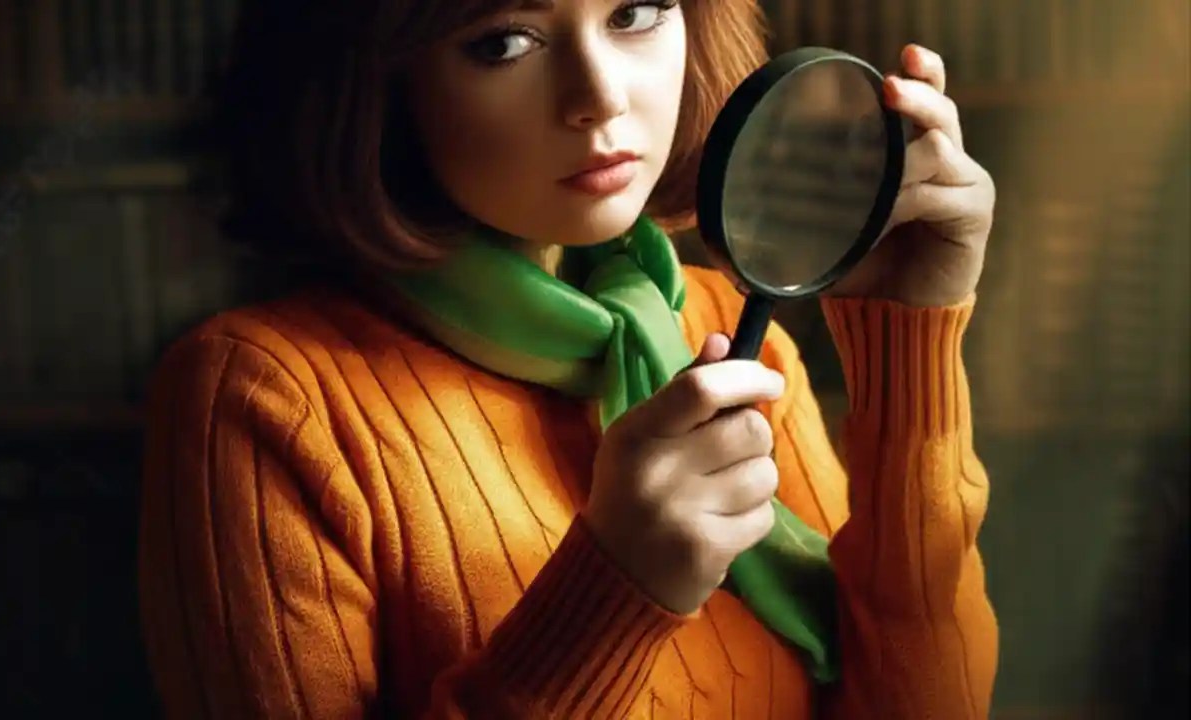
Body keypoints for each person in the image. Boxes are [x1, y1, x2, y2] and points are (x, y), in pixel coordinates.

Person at [137, 0, 999, 717]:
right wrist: (614, 593)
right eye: (505, 41)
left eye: (635, 12)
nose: (599, 97)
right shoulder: (263, 399)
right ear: (380, 83)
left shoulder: (728, 328)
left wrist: (910, 338)